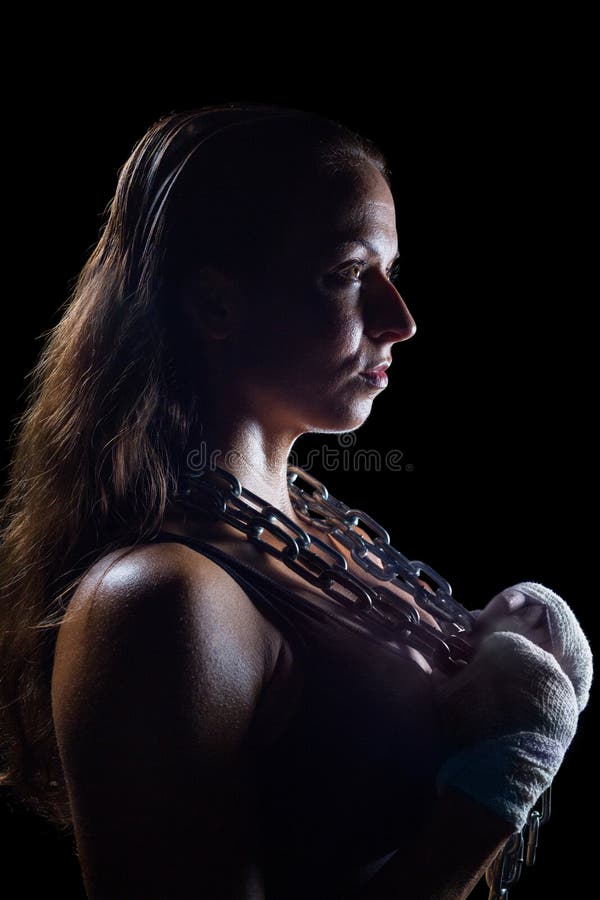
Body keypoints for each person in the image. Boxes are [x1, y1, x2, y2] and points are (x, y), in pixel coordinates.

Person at [0, 103, 593, 900]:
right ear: (215, 303)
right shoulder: (161, 601)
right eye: (347, 274)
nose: (400, 319)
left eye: (392, 271)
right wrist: (491, 797)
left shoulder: (316, 531)